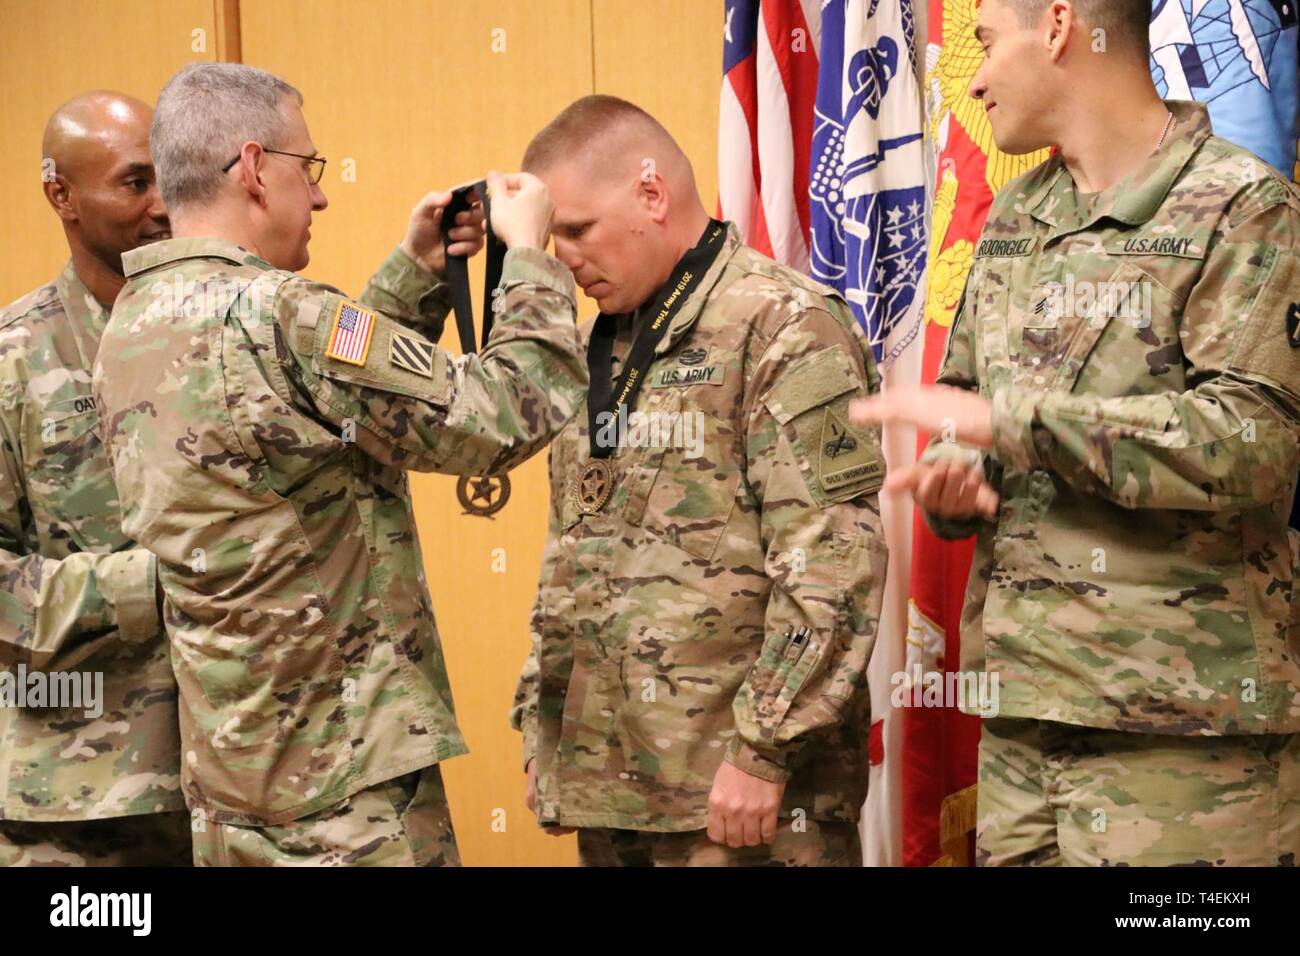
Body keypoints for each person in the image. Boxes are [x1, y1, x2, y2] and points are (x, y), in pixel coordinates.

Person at [92, 62, 587, 866]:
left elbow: (310, 413)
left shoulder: (130, 324)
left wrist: (415, 272)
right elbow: (505, 413)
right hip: (349, 803)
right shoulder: (279, 314)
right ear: (254, 169)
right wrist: (529, 256)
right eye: (307, 169)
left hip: (235, 789)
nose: (319, 196)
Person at [854, 0, 1300, 865]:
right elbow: (966, 410)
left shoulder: (1241, 206)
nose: (973, 80)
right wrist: (955, 481)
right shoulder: (1017, 218)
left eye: (982, 44)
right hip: (1022, 723)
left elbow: (1253, 444)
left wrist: (1009, 423)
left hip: (1183, 745)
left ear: (1059, 24)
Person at [510, 95, 888, 866]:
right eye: (554, 240)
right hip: (615, 790)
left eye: (578, 230)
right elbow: (573, 549)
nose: (566, 258)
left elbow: (833, 560)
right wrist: (540, 717)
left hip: (744, 803)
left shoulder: (783, 326)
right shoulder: (592, 348)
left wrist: (762, 749)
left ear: (652, 193)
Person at [0, 91, 190, 867]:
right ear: (62, 195)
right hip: (80, 807)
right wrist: (142, 586)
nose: (161, 208)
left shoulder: (211, 334)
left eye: (169, 182)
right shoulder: (15, 360)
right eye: (134, 182)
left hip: (232, 787)